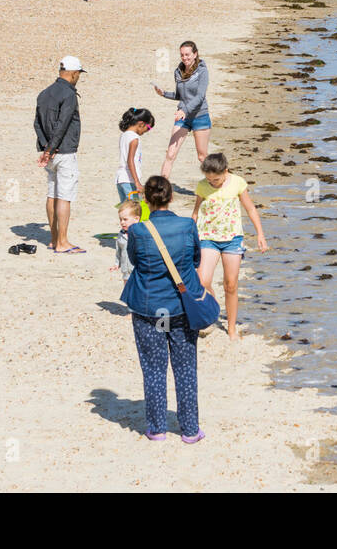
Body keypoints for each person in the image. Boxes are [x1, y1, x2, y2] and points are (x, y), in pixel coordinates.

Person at [120, 175, 206, 443]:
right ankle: (190, 429)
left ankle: (157, 428)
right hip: (180, 305)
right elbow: (195, 258)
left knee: (154, 367)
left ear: (147, 200)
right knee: (185, 367)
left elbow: (134, 260)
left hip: (150, 307)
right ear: (171, 197)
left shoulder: (138, 230)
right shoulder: (187, 225)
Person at [192, 153, 268, 340]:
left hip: (233, 239)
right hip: (207, 237)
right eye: (209, 179)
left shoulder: (237, 183)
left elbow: (250, 208)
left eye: (216, 179)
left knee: (231, 285)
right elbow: (195, 213)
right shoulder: (202, 186)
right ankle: (214, 308)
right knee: (202, 281)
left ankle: (232, 328)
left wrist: (260, 234)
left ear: (225, 171)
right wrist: (190, 237)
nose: (213, 182)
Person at [35, 56, 85, 252]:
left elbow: (37, 123)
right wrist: (51, 148)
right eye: (79, 74)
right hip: (63, 151)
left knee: (51, 194)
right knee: (64, 196)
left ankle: (53, 239)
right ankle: (63, 242)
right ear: (73, 73)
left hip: (50, 153)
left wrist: (45, 148)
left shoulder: (44, 93)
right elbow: (62, 124)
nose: (78, 77)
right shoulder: (69, 95)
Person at [155, 41, 211, 179]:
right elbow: (181, 96)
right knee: (170, 154)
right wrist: (164, 93)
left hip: (200, 116)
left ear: (195, 54)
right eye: (182, 55)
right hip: (183, 118)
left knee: (202, 156)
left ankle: (218, 184)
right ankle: (161, 190)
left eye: (188, 55)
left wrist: (184, 110)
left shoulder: (202, 71)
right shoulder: (178, 72)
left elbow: (199, 96)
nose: (185, 58)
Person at [117, 106, 155, 203]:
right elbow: (130, 161)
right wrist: (137, 182)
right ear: (141, 124)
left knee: (126, 211)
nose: (147, 131)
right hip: (129, 180)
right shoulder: (134, 139)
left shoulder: (124, 135)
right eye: (149, 127)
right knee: (135, 212)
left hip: (120, 179)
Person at [115, 199, 142, 278]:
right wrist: (117, 264)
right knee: (126, 288)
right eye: (120, 219)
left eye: (125, 219)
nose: (122, 222)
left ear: (136, 219)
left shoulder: (141, 235)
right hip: (125, 270)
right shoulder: (121, 235)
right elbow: (118, 250)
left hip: (138, 271)